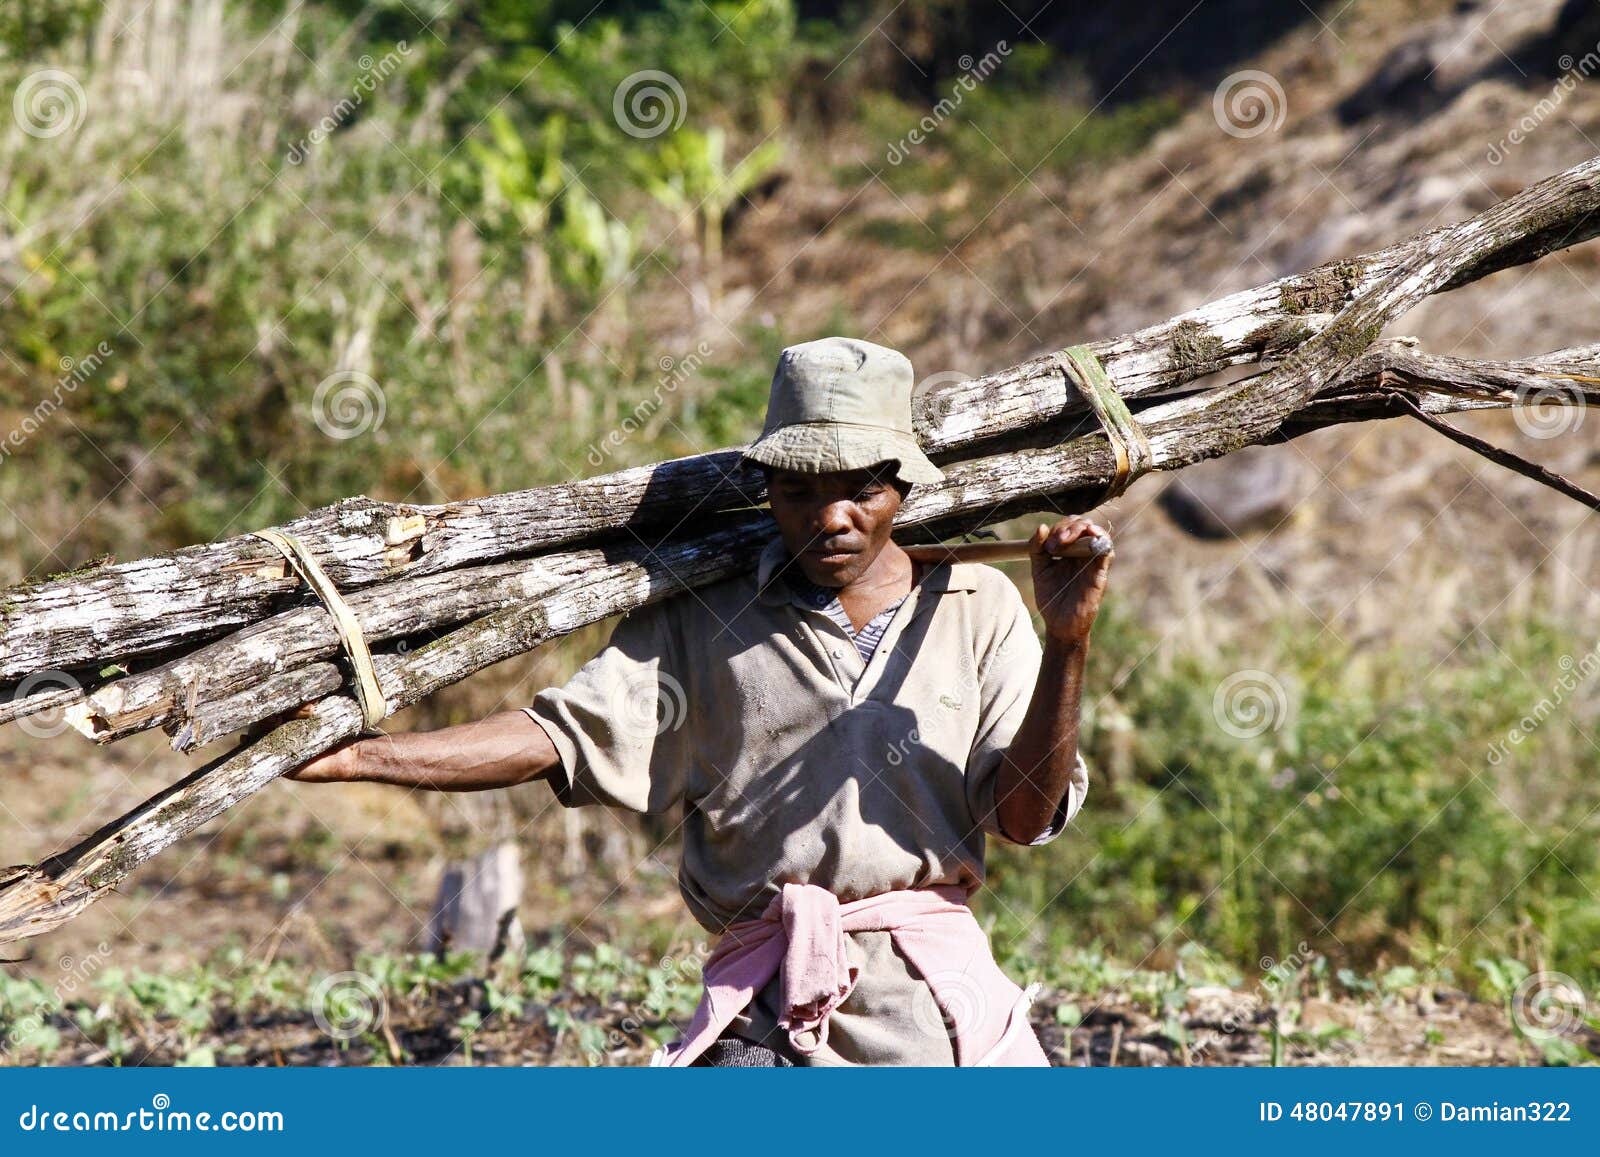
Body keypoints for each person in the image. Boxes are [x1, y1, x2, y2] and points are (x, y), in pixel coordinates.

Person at [290, 336, 1112, 1066]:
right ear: (767, 491)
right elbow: (558, 735)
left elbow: (1024, 816)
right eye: (798, 492)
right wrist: (368, 754)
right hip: (765, 1006)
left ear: (901, 483)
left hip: (935, 1009)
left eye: (860, 488)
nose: (831, 518)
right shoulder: (701, 617)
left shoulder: (977, 604)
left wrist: (1067, 640)